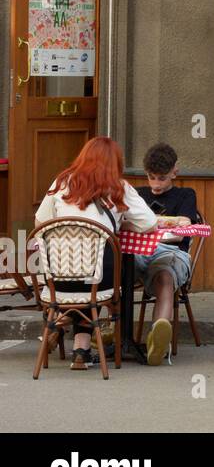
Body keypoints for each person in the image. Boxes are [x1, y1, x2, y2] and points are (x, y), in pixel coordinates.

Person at [34, 137, 158, 370]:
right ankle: (79, 346)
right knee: (96, 277)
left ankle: (71, 333)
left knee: (85, 277)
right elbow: (150, 223)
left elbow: (40, 222)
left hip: (58, 279)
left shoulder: (61, 182)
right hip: (98, 280)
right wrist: (120, 224)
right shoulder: (119, 187)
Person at [134, 143, 203, 365]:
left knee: (165, 275)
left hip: (171, 253)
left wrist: (149, 226)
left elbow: (181, 232)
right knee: (114, 266)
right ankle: (111, 330)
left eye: (161, 178)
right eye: (151, 177)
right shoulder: (138, 194)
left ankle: (158, 337)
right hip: (137, 253)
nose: (155, 185)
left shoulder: (185, 195)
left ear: (175, 172)